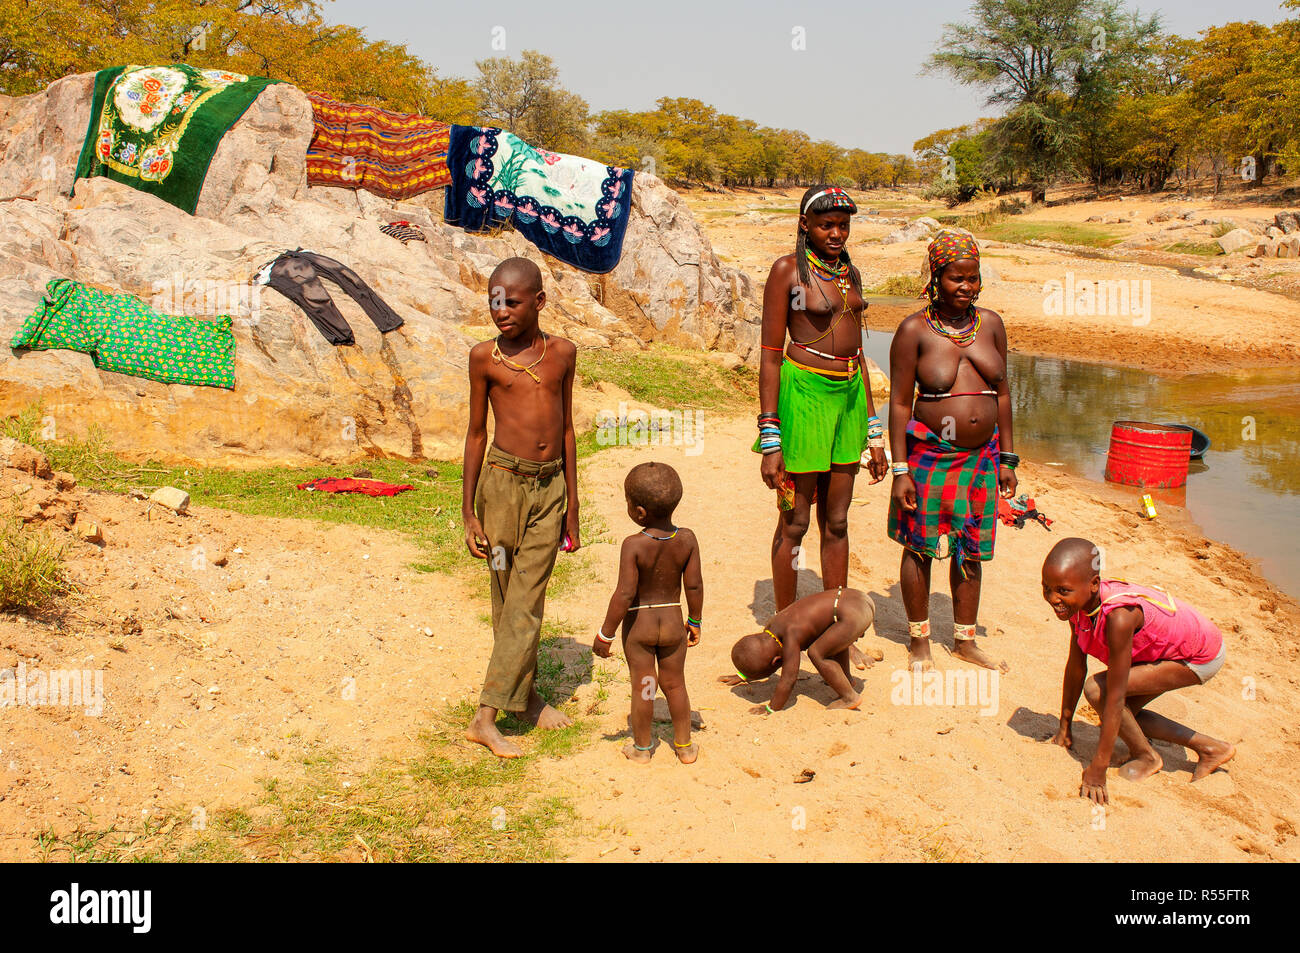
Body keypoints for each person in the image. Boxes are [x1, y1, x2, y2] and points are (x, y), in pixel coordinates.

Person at [756, 185, 888, 668]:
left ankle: (838, 630)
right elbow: (770, 355)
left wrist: (874, 431)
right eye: (826, 224)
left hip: (849, 398)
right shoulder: (787, 272)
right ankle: (784, 626)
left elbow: (857, 352)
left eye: (843, 225)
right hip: (803, 398)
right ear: (805, 226)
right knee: (794, 521)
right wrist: (771, 436)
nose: (836, 233)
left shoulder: (850, 271)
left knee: (837, 521)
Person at [462, 256, 581, 759]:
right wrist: (469, 511)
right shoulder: (483, 358)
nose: (501, 311)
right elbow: (475, 434)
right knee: (506, 593)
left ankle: (487, 715)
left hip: (548, 490)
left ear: (539, 301)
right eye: (494, 301)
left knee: (527, 598)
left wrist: (573, 505)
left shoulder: (562, 354)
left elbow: (569, 428)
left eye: (511, 302)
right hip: (501, 490)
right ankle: (523, 699)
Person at [887, 229, 1014, 673]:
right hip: (930, 456)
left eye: (973, 279)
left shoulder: (992, 324)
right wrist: (900, 468)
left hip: (982, 457)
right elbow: (900, 403)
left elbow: (1003, 394)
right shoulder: (913, 330)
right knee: (919, 546)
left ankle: (965, 640)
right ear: (936, 277)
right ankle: (919, 640)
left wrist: (1008, 459)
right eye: (956, 279)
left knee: (971, 549)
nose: (966, 287)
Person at [1042, 537, 1235, 804]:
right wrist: (1064, 727)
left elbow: (1116, 694)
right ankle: (1211, 748)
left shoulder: (1119, 617)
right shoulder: (1078, 606)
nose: (1053, 598)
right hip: (1169, 652)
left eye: (1062, 591)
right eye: (1046, 588)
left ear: (1094, 584)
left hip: (1199, 654)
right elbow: (1076, 665)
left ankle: (1147, 756)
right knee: (1121, 714)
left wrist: (1098, 769)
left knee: (1099, 691)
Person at [592, 462, 703, 764]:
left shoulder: (633, 545)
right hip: (672, 623)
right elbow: (693, 586)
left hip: (639, 626)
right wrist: (694, 620)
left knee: (645, 685)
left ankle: (642, 749)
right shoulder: (687, 539)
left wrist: (606, 633)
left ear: (639, 512)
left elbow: (625, 594)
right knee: (675, 683)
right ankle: (685, 746)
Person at [718, 587, 875, 713]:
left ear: (777, 661)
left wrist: (771, 707)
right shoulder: (772, 626)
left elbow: (788, 679)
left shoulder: (789, 638)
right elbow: (756, 655)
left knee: (816, 653)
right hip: (854, 599)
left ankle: (849, 697)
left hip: (853, 614)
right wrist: (744, 674)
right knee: (828, 643)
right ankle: (846, 679)